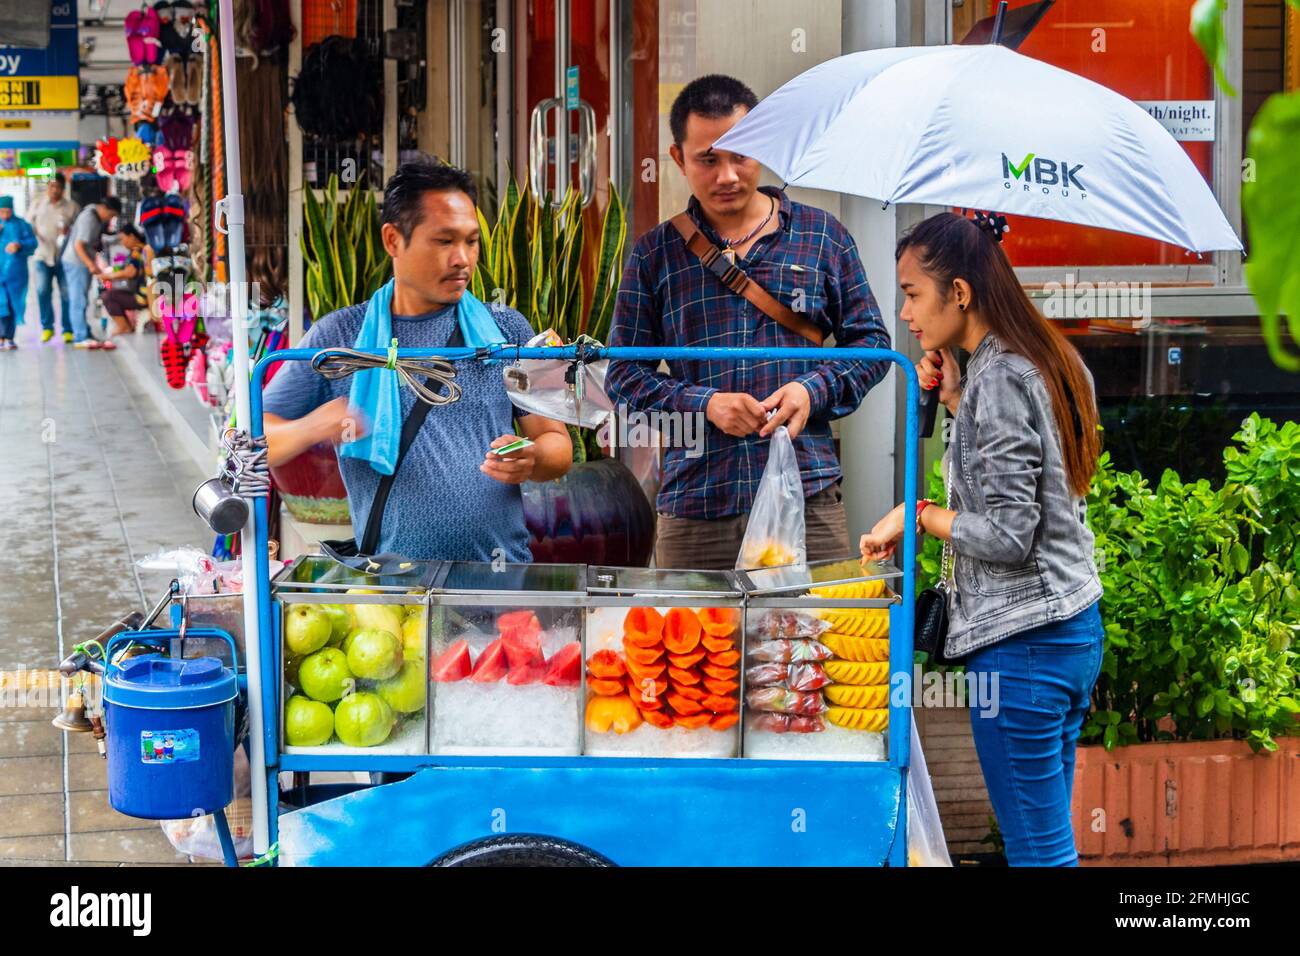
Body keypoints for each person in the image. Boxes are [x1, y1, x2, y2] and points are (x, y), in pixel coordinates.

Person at [860, 211, 1104, 867]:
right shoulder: (1047, 357)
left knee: (1039, 853)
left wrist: (919, 514)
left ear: (960, 294)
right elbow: (1034, 483)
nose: (905, 312)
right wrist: (955, 389)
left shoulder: (1001, 378)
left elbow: (1008, 532)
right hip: (1071, 629)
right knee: (1048, 842)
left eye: (913, 293)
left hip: (1023, 646)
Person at [605, 74, 891, 571]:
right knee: (692, 646)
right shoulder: (655, 255)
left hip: (809, 492)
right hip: (697, 504)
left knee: (816, 641)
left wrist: (811, 389)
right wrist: (706, 404)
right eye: (708, 159)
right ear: (678, 159)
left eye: (741, 154)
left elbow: (871, 345)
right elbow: (624, 374)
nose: (728, 176)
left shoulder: (823, 237)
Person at [263, 159, 572, 561]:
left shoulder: (507, 331)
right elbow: (255, 437)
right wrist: (313, 426)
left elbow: (558, 446)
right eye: (444, 241)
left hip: (500, 580)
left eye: (471, 241)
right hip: (390, 592)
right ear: (393, 240)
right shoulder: (340, 337)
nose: (462, 258)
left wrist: (531, 457)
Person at [60, 195, 122, 349]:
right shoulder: (89, 218)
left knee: (81, 298)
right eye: (111, 215)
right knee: (78, 299)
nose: (110, 219)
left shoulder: (93, 214)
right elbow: (79, 245)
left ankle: (84, 332)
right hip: (76, 263)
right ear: (105, 209)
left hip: (79, 262)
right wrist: (91, 265)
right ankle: (80, 336)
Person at [28, 173, 79, 343]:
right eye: (52, 186)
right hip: (42, 255)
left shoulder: (72, 207)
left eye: (58, 187)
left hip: (65, 257)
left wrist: (69, 231)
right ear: (47, 187)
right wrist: (34, 234)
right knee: (43, 291)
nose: (55, 190)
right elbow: (29, 226)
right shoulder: (37, 204)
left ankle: (68, 329)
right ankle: (47, 327)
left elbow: (79, 231)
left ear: (64, 189)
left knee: (66, 293)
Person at [96, 224, 149, 350]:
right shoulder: (138, 250)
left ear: (131, 236)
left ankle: (124, 326)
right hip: (143, 294)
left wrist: (109, 277)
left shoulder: (138, 251)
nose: (122, 242)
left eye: (123, 238)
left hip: (143, 296)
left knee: (108, 296)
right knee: (112, 293)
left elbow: (131, 272)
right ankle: (124, 325)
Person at [0, 196, 37, 351]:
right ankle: (1, 336)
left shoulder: (22, 225)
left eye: (7, 211)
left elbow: (33, 243)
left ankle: (9, 337)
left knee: (13, 305)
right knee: (1, 304)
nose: (5, 214)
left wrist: (19, 245)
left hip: (16, 274)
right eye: (1, 211)